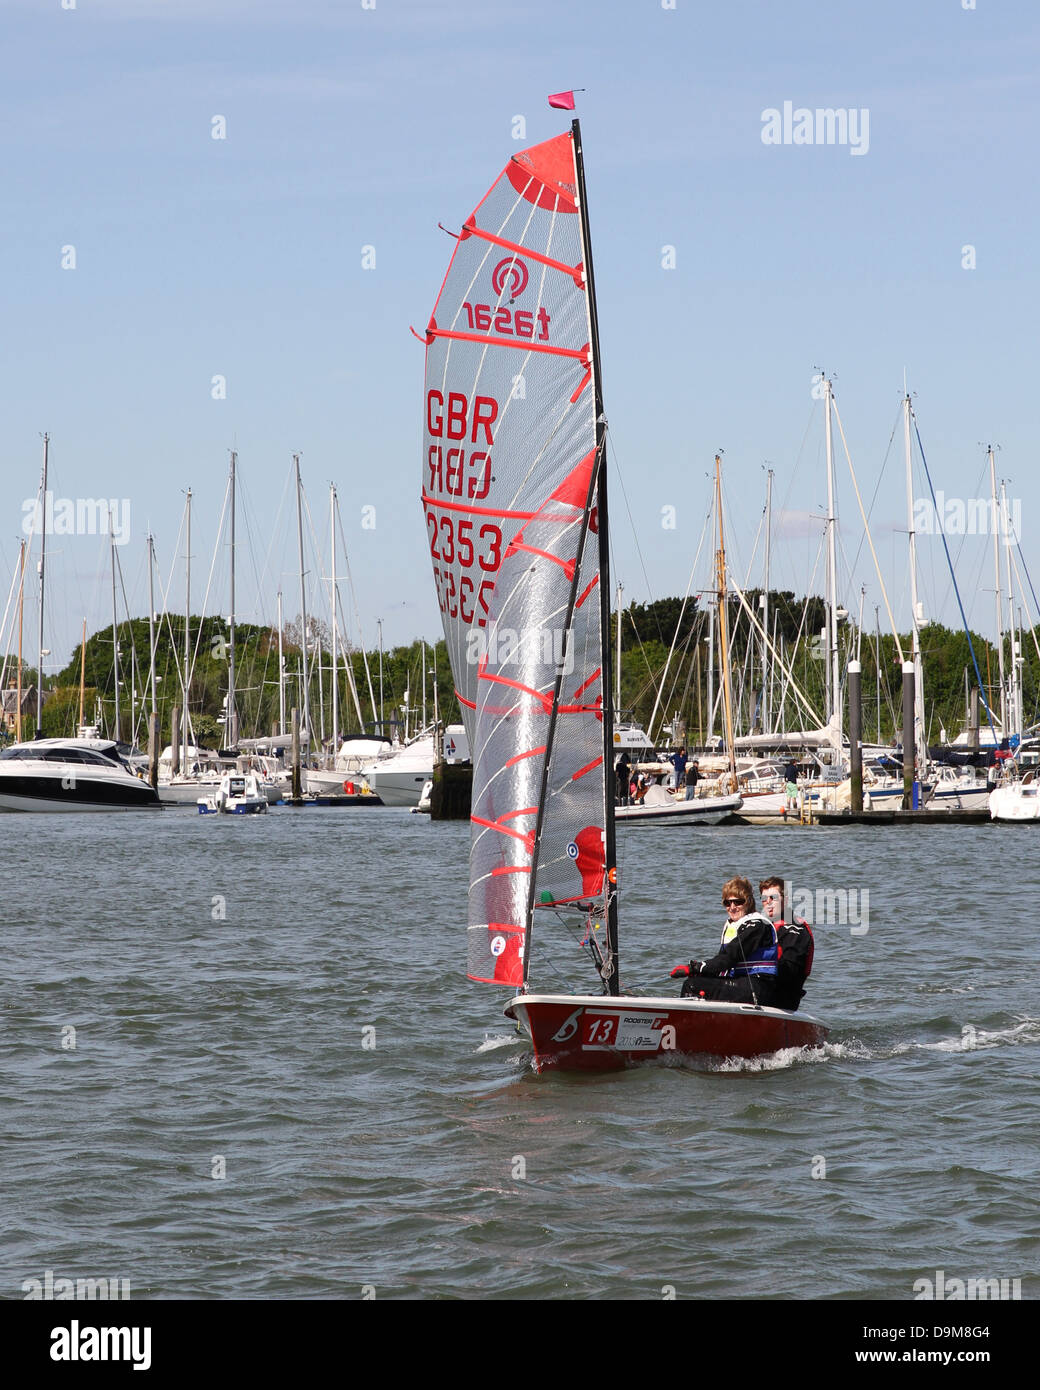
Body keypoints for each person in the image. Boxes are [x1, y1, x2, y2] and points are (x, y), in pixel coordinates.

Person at [669, 876, 779, 1006]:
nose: (732, 907)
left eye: (738, 902)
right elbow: (721, 963)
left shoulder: (757, 925)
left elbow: (729, 957)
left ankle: (686, 1024)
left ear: (748, 902)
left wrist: (694, 968)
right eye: (727, 903)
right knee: (698, 980)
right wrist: (699, 973)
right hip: (741, 982)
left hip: (759, 987)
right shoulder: (733, 924)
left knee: (692, 985)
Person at [759, 876, 814, 1012]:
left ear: (786, 900)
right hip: (760, 989)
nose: (768, 902)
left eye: (773, 898)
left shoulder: (795, 929)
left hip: (781, 1000)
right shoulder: (763, 927)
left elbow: (789, 972)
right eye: (764, 899)